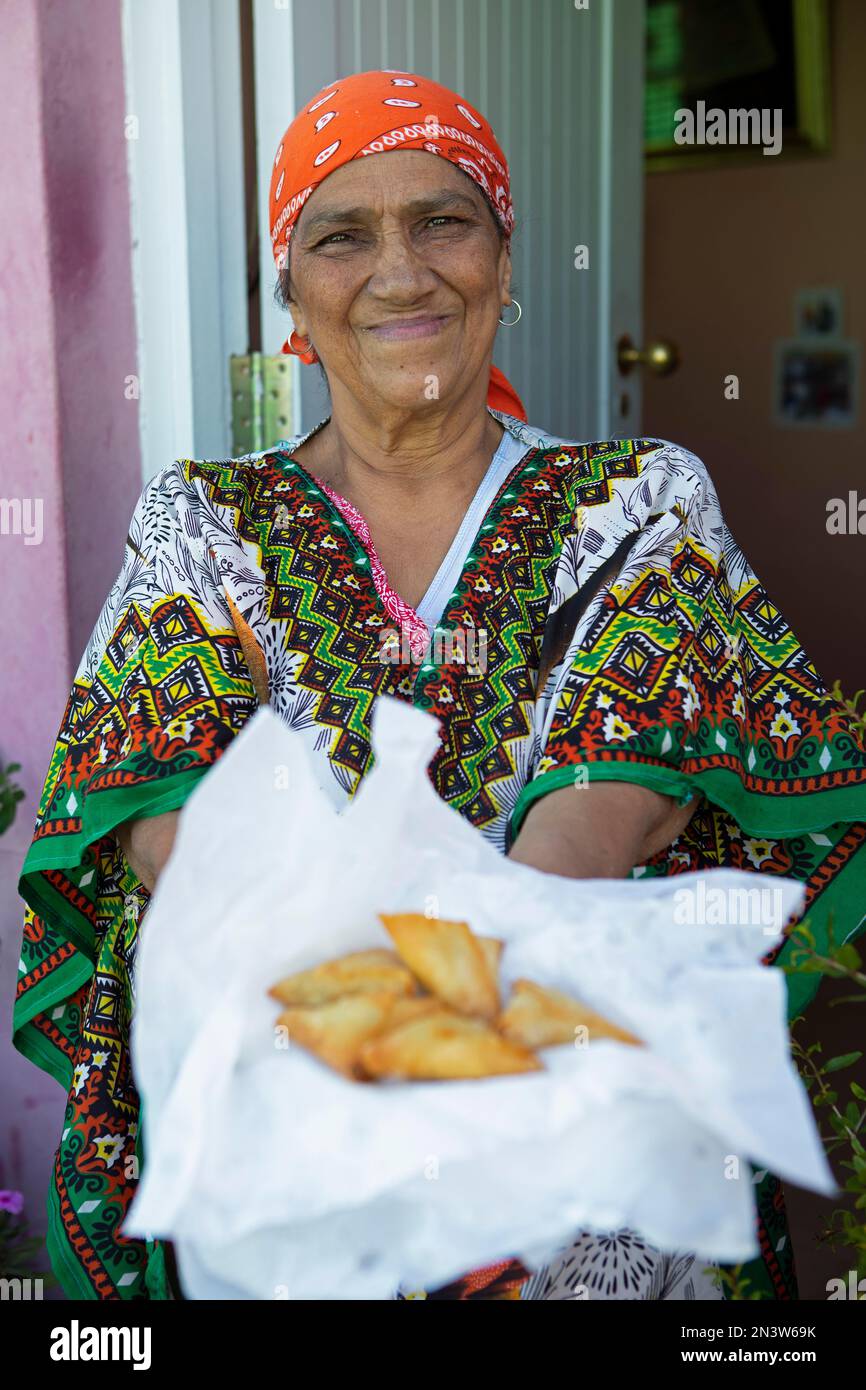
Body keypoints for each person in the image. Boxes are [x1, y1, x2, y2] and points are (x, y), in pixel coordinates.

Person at [13, 70, 866, 1303]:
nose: (399, 271)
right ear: (292, 292)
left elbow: (619, 787)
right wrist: (358, 1042)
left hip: (566, 1123)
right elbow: (156, 804)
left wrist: (469, 1033)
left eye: (442, 220)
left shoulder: (640, 501)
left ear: (502, 261)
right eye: (342, 235)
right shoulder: (201, 518)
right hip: (305, 1119)